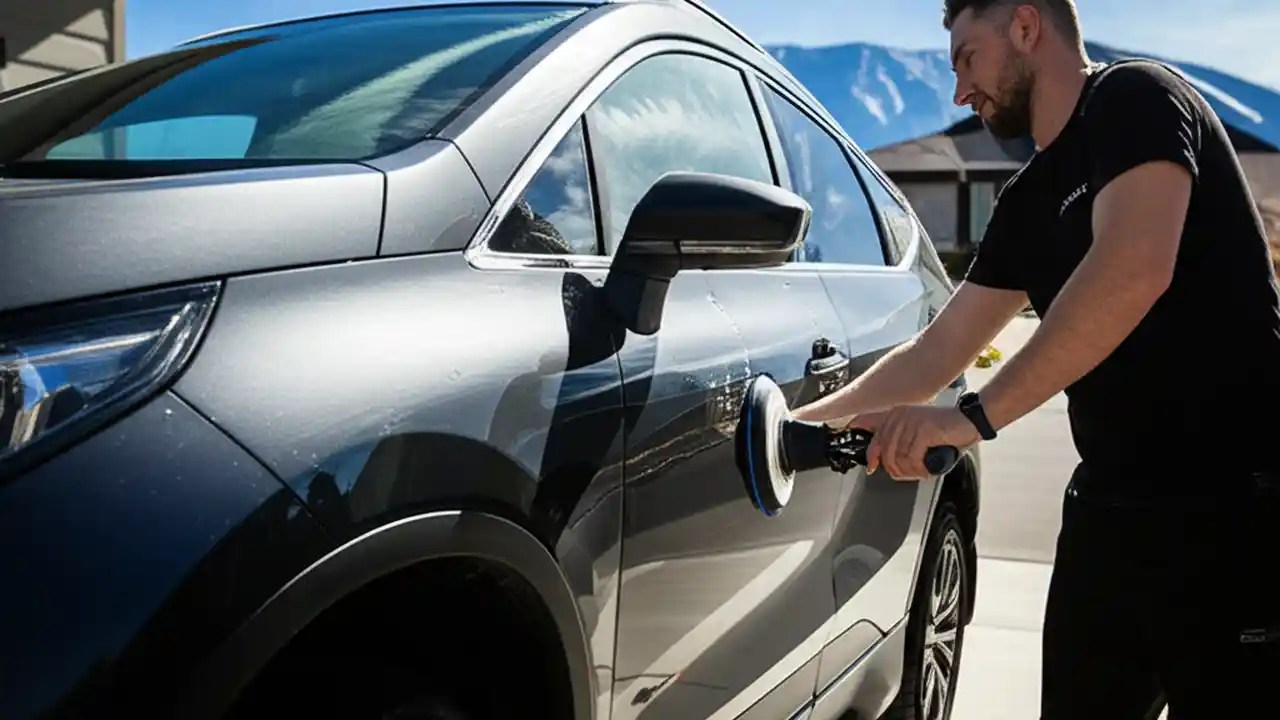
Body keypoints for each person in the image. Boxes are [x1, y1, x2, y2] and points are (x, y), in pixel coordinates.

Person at [792, 0, 1280, 717]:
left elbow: (1134, 267)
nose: (959, 90)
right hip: (1109, 521)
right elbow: (939, 348)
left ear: (1026, 26)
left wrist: (970, 419)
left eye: (966, 58)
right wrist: (798, 426)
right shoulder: (1028, 201)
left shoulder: (1137, 98)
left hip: (1234, 512)